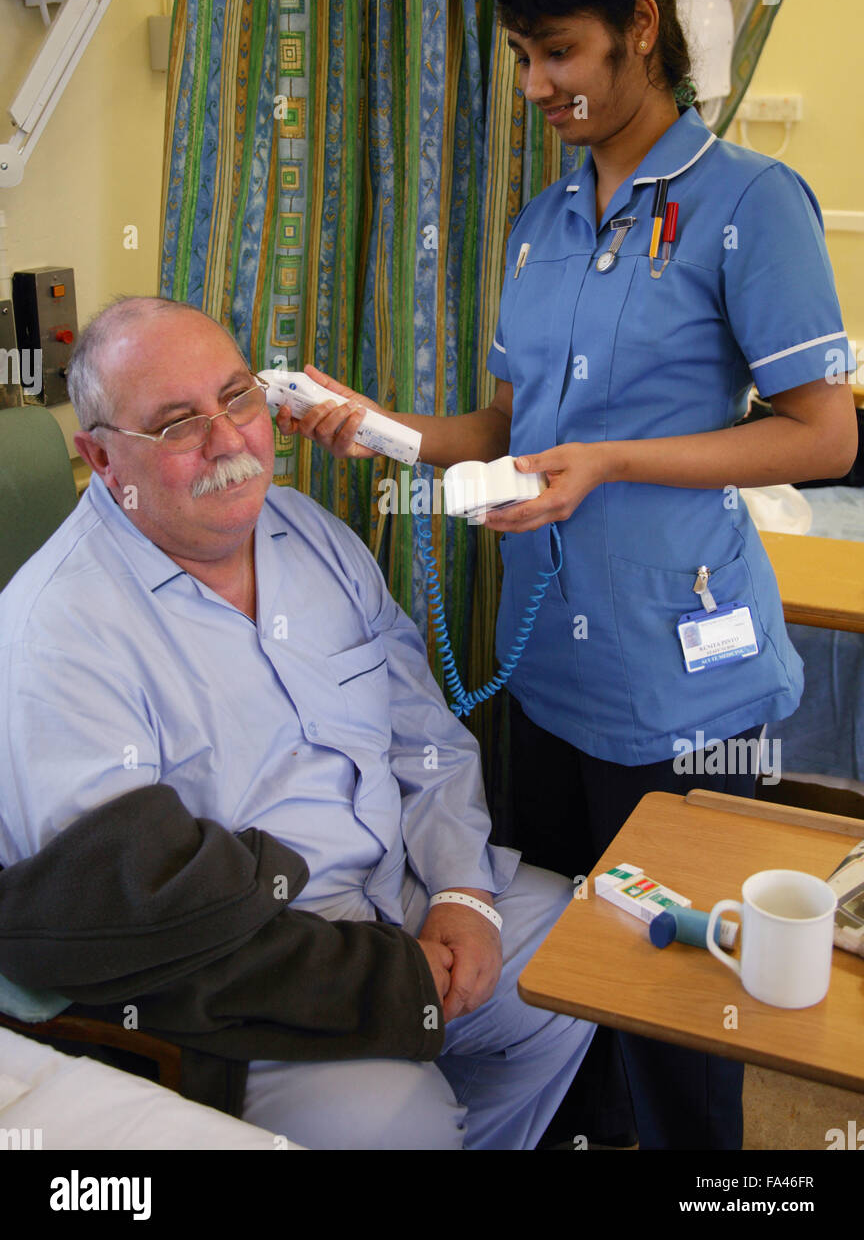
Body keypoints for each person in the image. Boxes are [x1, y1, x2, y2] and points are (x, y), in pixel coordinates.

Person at [278, 0, 859, 1149]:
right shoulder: (542, 225)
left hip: (681, 689)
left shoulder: (750, 204)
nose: (536, 84)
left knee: (681, 997)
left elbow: (825, 436)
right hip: (549, 681)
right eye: (521, 57)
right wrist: (373, 424)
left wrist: (613, 461)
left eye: (560, 53)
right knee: (568, 990)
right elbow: (501, 425)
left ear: (641, 31)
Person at [0, 296, 596, 1151]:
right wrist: (384, 981)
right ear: (99, 457)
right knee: (398, 1129)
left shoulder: (307, 533)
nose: (229, 441)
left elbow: (420, 731)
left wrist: (462, 887)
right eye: (175, 424)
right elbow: (132, 926)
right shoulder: (56, 639)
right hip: (263, 977)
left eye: (237, 397)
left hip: (406, 886)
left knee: (576, 976)